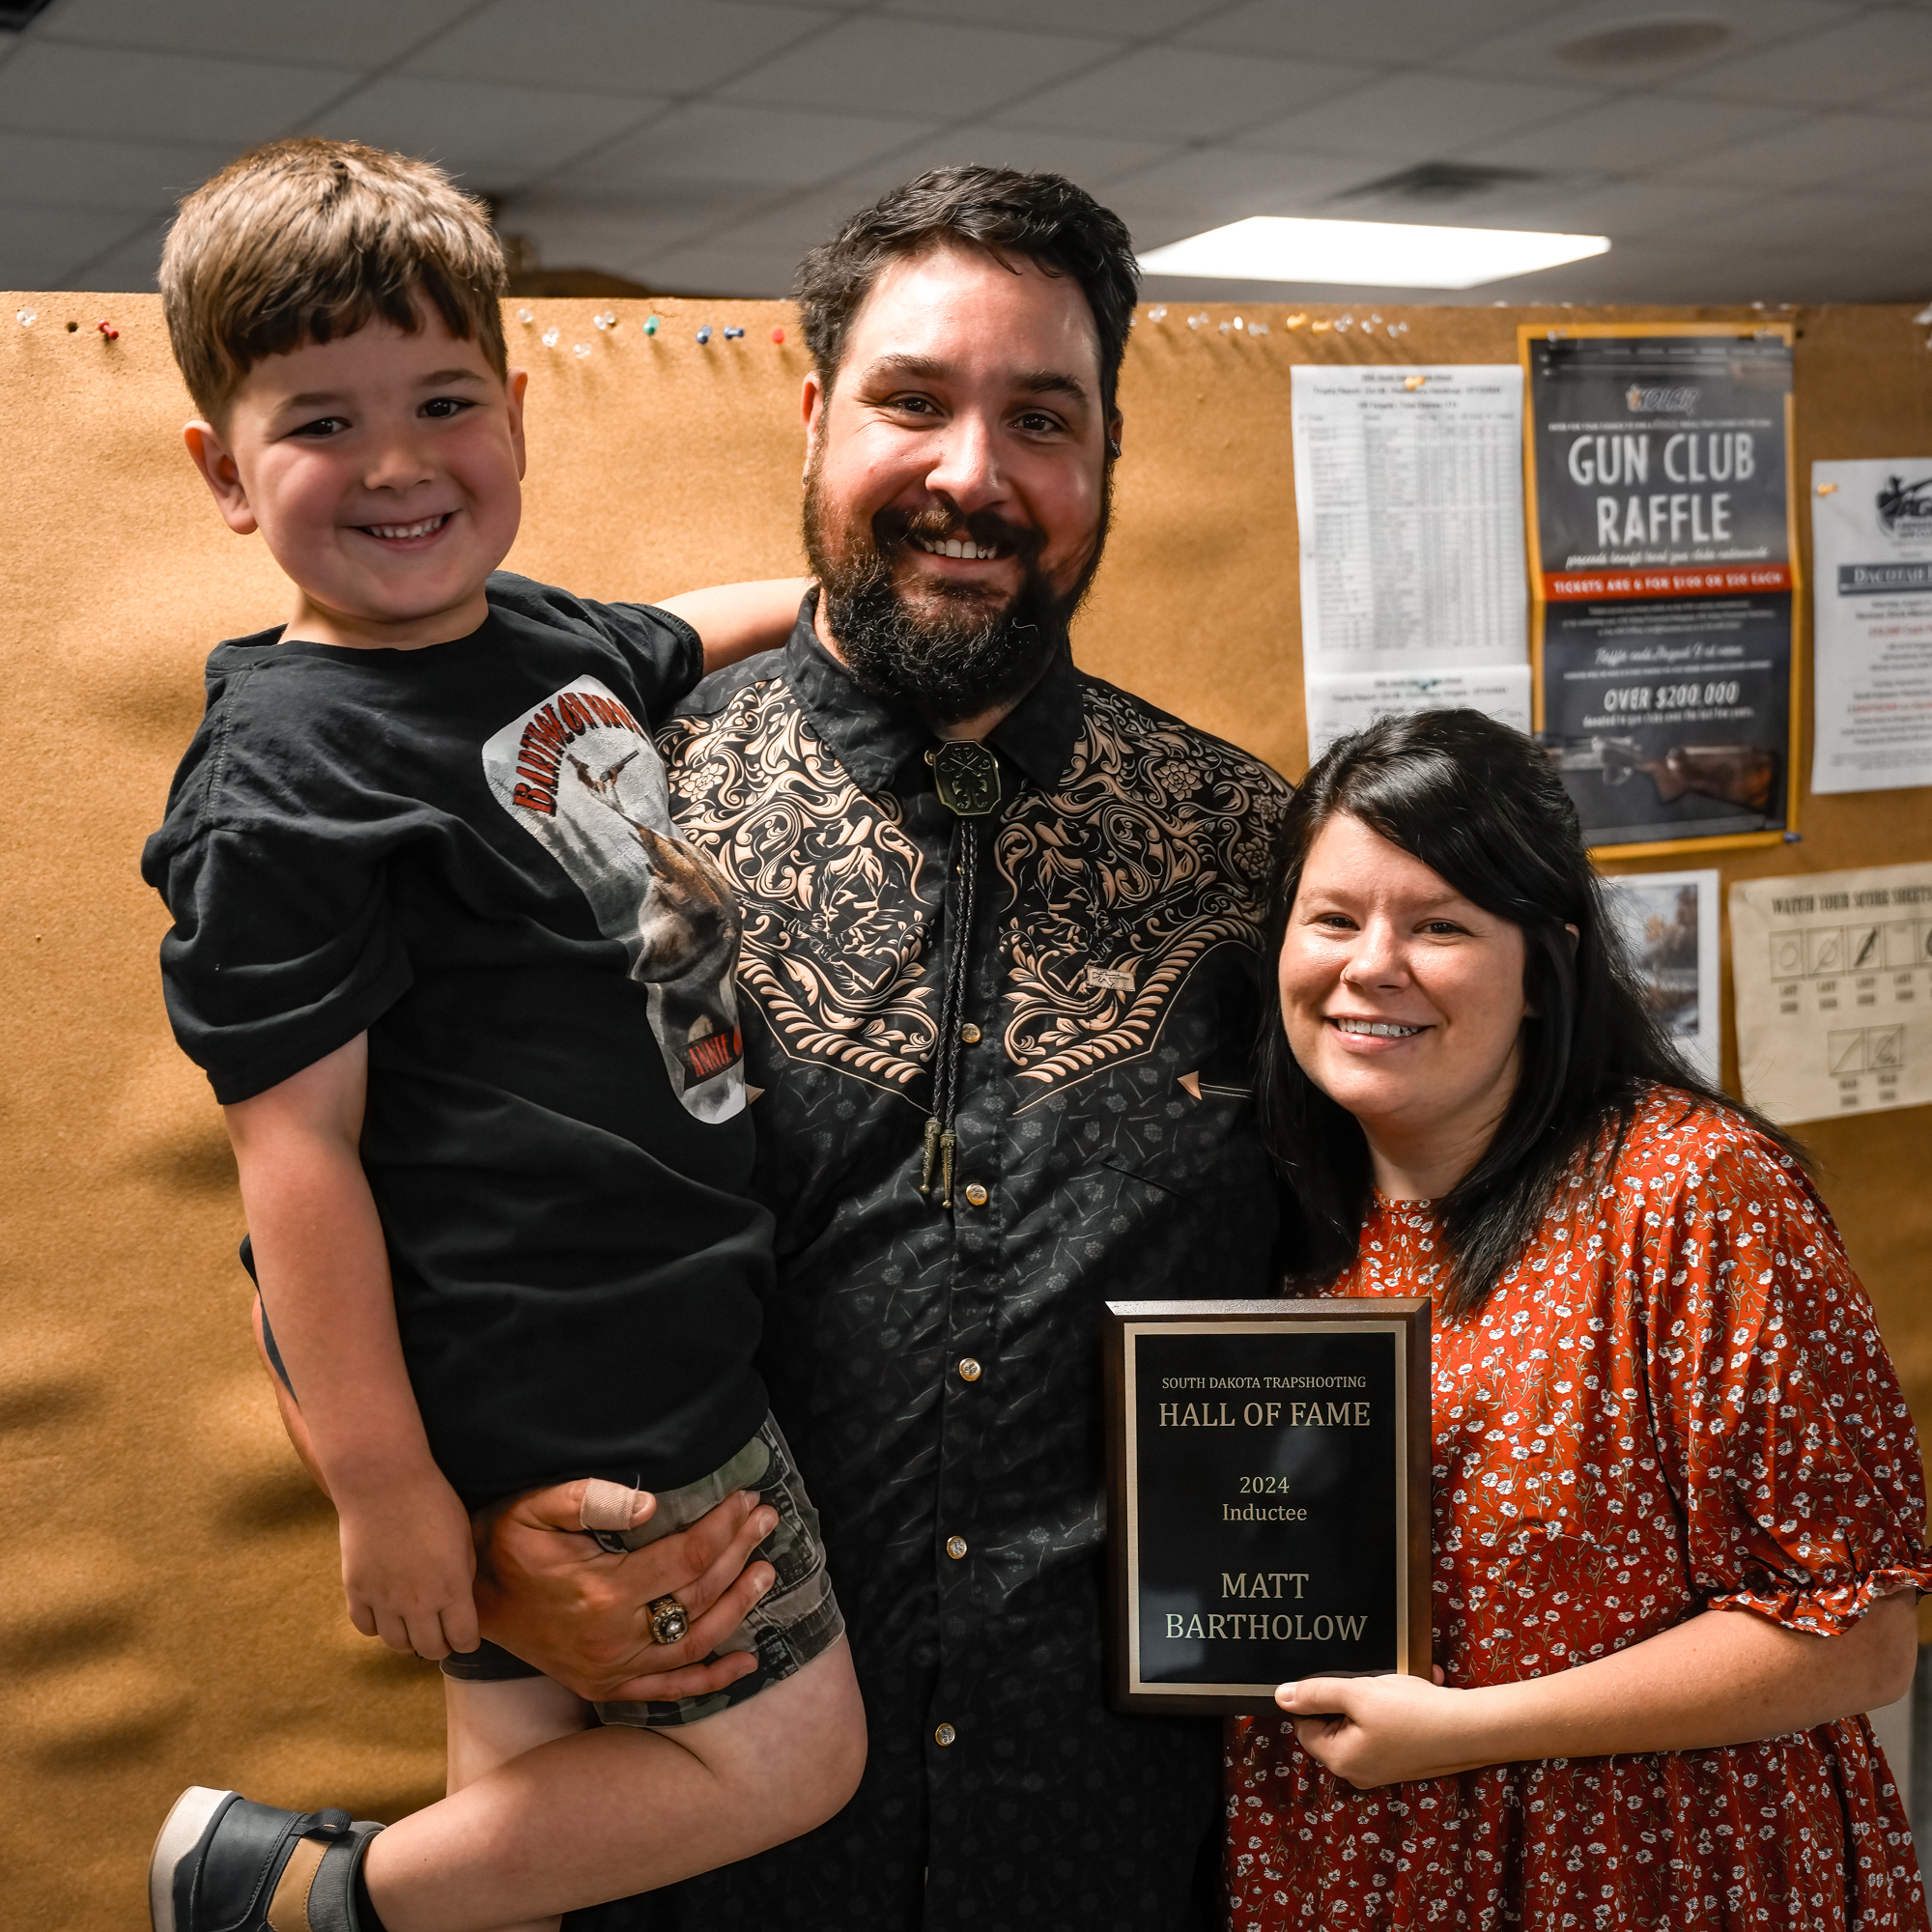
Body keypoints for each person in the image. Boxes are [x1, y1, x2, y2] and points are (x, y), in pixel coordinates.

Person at [473, 164, 1293, 1931]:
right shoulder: (613, 815)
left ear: (1106, 462)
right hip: (708, 1850)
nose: (973, 473)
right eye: (914, 400)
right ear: (813, 417)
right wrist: (475, 1557)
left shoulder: (1253, 855)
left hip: (1125, 1850)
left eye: (1042, 418)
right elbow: (379, 1238)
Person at [139, 139, 863, 1932]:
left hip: (617, 1307)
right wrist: (386, 1495)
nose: (396, 463)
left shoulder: (534, 638)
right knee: (785, 1760)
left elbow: (671, 639)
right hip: (575, 1347)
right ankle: (292, 1901)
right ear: (224, 473)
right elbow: (291, 1152)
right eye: (320, 423)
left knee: (526, 1801)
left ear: (519, 418)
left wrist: (849, 616)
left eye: (443, 401)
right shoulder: (286, 777)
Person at [1225, 706, 1930, 1930]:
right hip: (1339, 1874)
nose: (1369, 963)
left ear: (1543, 965)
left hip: (1647, 1868)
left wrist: (1466, 1730)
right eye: (1332, 916)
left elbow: (1861, 1636)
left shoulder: (1690, 1193)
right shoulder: (1248, 1209)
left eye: (1439, 923)